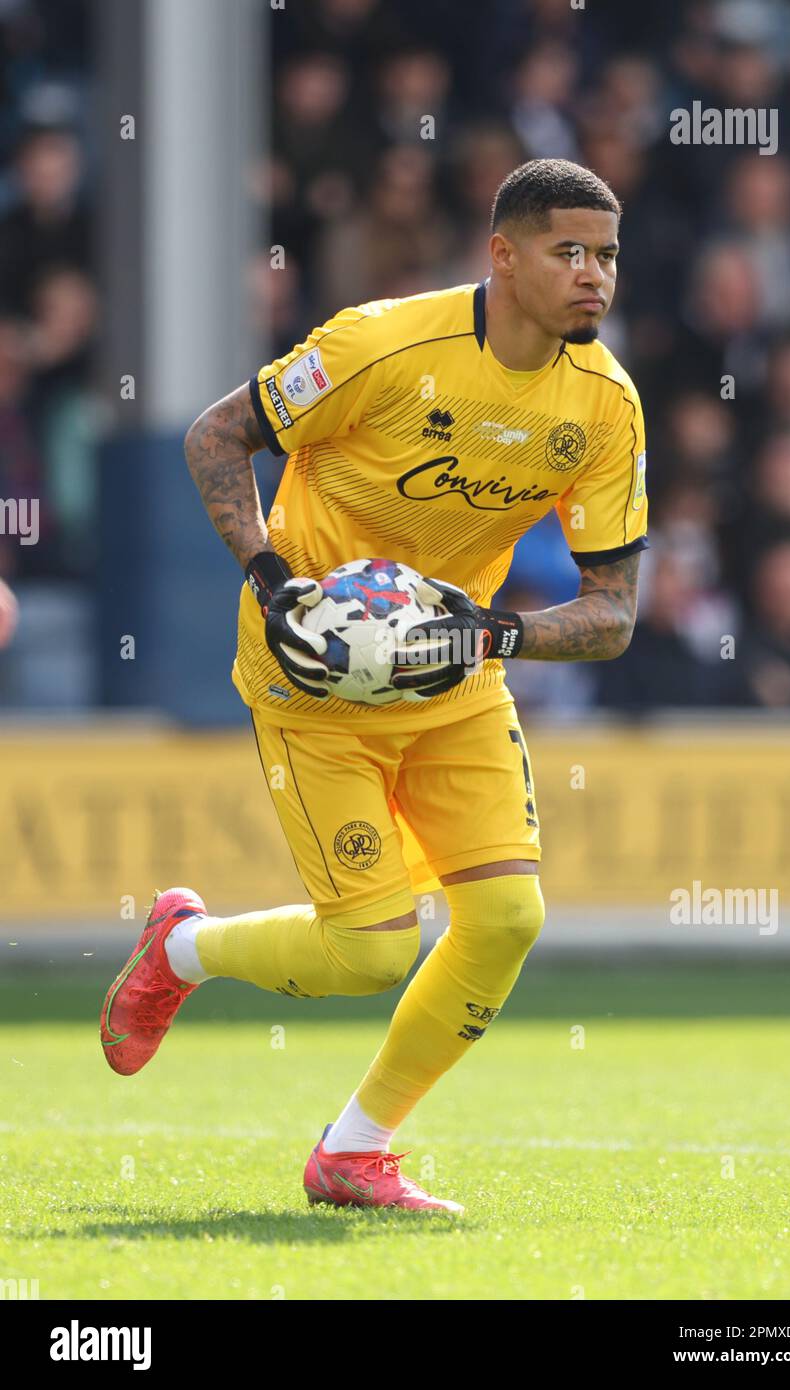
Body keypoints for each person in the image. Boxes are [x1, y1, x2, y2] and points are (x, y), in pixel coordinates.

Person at [99, 158, 649, 1212]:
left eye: (608, 255)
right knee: (367, 954)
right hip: (314, 686)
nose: (594, 276)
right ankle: (179, 946)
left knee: (506, 919)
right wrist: (268, 579)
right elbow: (217, 435)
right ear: (503, 254)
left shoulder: (607, 406)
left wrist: (494, 636)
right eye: (568, 251)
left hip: (453, 679)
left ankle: (353, 1151)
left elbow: (613, 609)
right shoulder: (381, 343)